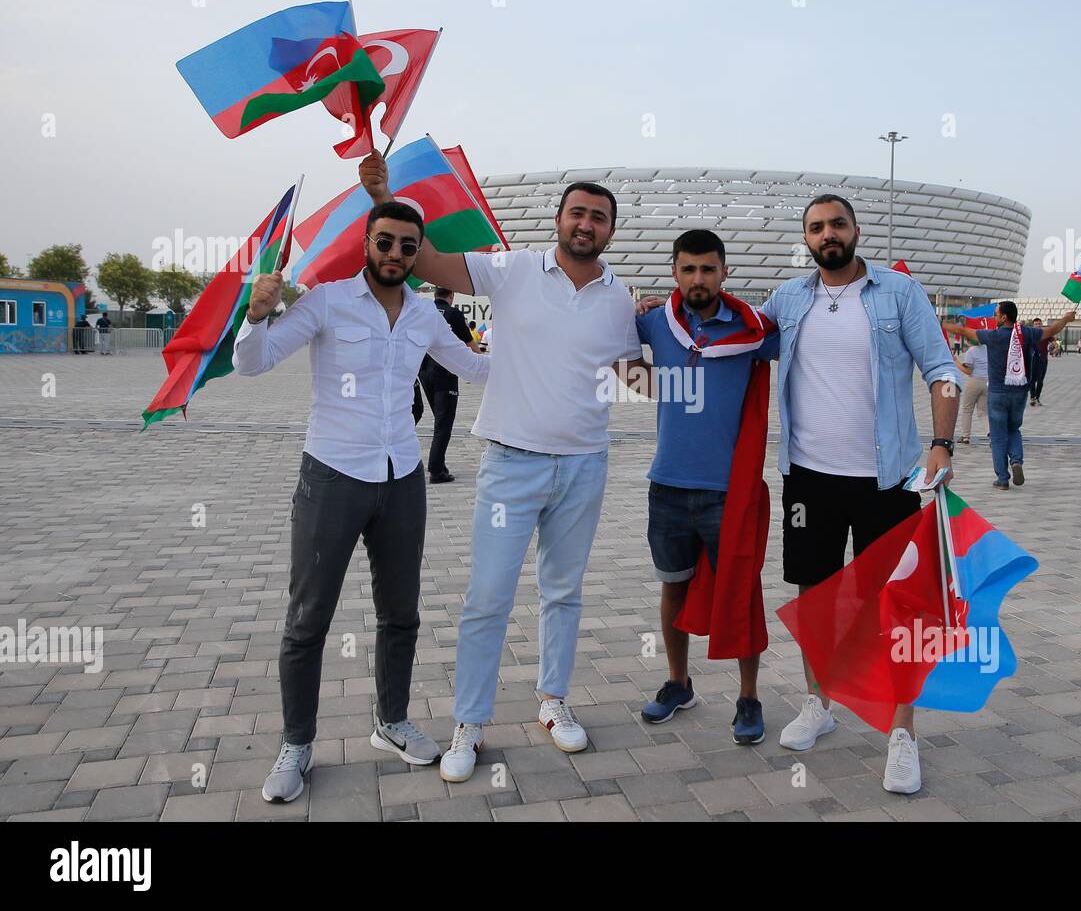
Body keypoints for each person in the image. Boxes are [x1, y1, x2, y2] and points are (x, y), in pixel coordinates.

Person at [359, 152, 648, 783]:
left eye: (599, 217)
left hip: (583, 466)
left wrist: (679, 327)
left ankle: (552, 701)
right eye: (578, 212)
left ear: (610, 231)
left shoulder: (618, 297)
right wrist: (385, 197)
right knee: (487, 598)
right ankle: (469, 722)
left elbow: (634, 379)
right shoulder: (513, 270)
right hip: (510, 463)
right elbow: (427, 260)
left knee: (563, 592)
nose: (586, 224)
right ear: (558, 219)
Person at [233, 201, 491, 804]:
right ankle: (297, 745)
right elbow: (254, 363)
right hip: (332, 475)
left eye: (408, 246)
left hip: (401, 477)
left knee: (401, 613)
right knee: (308, 621)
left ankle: (391, 721)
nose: (395, 254)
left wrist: (547, 348)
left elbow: (476, 370)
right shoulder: (325, 301)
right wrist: (256, 313)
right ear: (366, 243)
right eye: (386, 242)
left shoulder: (426, 314)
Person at [763, 194, 962, 795]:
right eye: (817, 227)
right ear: (807, 238)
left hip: (889, 479)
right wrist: (656, 311)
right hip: (808, 477)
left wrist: (943, 445)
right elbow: (735, 332)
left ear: (855, 231)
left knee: (897, 605)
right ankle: (819, 703)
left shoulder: (899, 294)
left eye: (837, 224)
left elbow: (942, 370)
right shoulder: (788, 298)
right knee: (817, 597)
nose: (828, 234)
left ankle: (902, 733)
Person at [634, 229, 779, 744]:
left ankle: (748, 696)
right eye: (689, 269)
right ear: (674, 271)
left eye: (708, 269)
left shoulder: (755, 330)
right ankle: (679, 683)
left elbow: (810, 348)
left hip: (727, 492)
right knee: (672, 585)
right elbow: (607, 359)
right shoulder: (655, 322)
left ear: (725, 272)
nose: (699, 278)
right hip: (667, 485)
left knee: (742, 590)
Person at [944, 302, 1074, 490]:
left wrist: (943, 325)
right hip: (1020, 392)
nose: (994, 317)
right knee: (1014, 429)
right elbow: (1053, 329)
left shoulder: (993, 336)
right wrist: (1066, 319)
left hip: (997, 393)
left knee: (997, 436)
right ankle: (1016, 461)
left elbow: (965, 332)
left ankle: (1003, 478)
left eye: (996, 314)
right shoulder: (1027, 333)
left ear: (1004, 317)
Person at [418, 286, 480, 484]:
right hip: (445, 372)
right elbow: (471, 345)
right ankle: (436, 469)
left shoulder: (425, 311)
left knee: (439, 419)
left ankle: (439, 464)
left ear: (435, 294)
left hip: (423, 371)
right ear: (451, 295)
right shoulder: (453, 314)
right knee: (444, 422)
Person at [955, 340, 987, 444]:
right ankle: (990, 432)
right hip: (987, 382)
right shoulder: (988, 349)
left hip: (974, 381)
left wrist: (956, 361)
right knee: (983, 412)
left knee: (967, 409)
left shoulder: (971, 351)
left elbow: (968, 371)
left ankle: (965, 436)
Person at [1028, 317, 1049, 406]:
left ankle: (1037, 397)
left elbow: (1053, 341)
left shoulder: (1045, 333)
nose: (1038, 325)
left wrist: (1055, 347)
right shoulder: (1030, 334)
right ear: (1033, 325)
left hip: (1043, 359)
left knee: (1040, 380)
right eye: (1036, 324)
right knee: (1032, 379)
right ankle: (1032, 397)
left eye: (1039, 324)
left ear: (1041, 324)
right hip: (1033, 359)